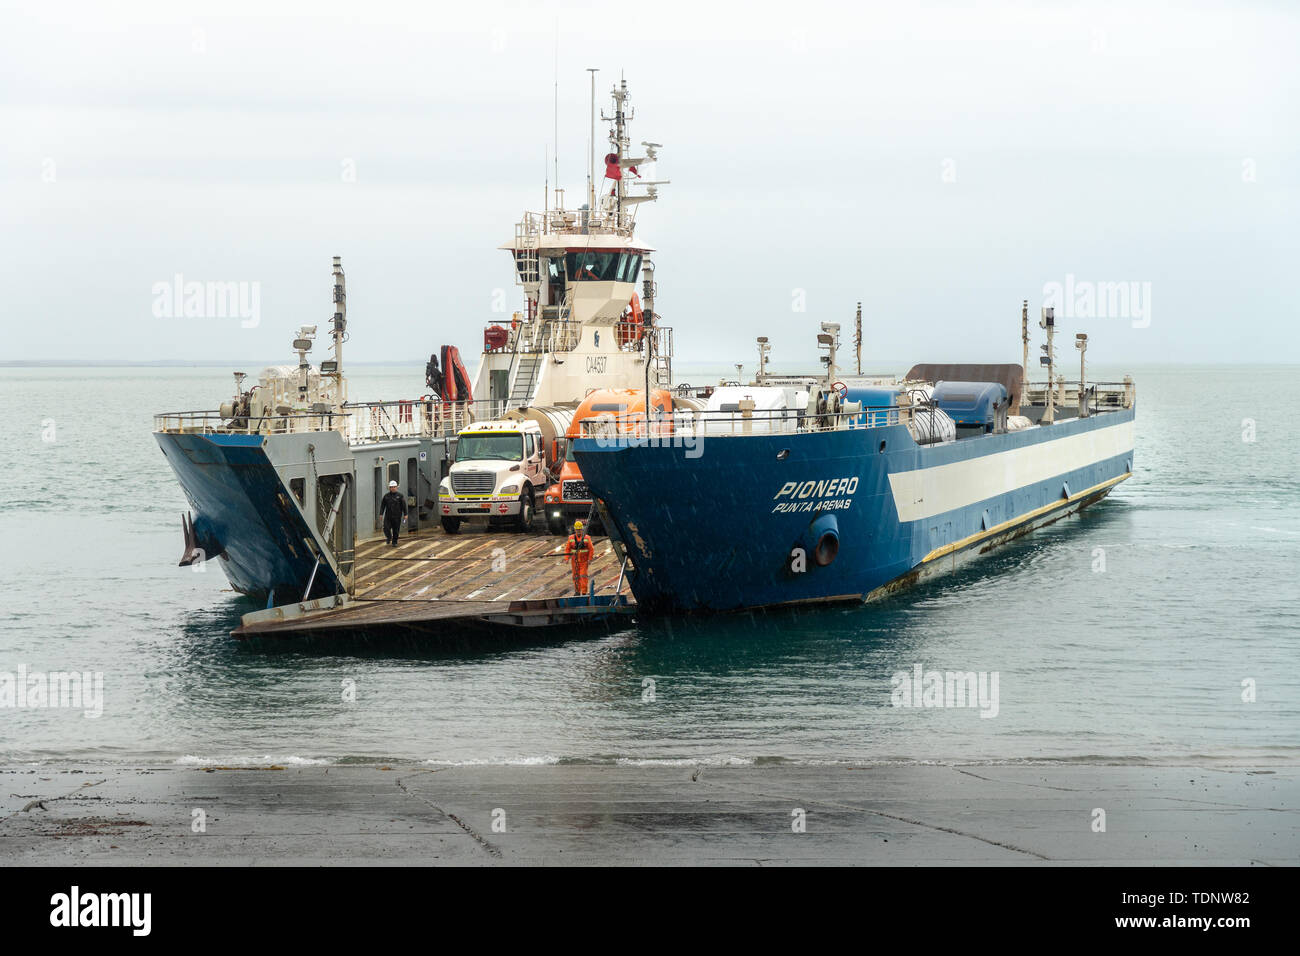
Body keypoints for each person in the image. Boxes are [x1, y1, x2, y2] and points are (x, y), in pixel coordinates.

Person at [564, 519, 594, 597]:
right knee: (575, 576)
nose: (578, 531)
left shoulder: (587, 538)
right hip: (575, 561)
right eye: (577, 530)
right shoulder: (571, 538)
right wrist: (566, 558)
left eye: (579, 529)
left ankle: (584, 592)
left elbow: (591, 549)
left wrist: (590, 559)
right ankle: (577, 591)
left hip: (584, 561)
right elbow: (567, 549)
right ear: (575, 529)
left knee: (583, 575)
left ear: (582, 529)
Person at [381, 480, 406, 547]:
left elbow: (403, 505)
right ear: (389, 488)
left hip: (397, 516)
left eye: (394, 487)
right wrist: (381, 514)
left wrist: (405, 514)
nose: (393, 488)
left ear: (396, 487)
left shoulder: (400, 496)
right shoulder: (386, 496)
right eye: (391, 487)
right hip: (388, 516)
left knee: (396, 530)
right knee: (386, 528)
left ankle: (394, 542)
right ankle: (389, 537)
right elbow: (383, 505)